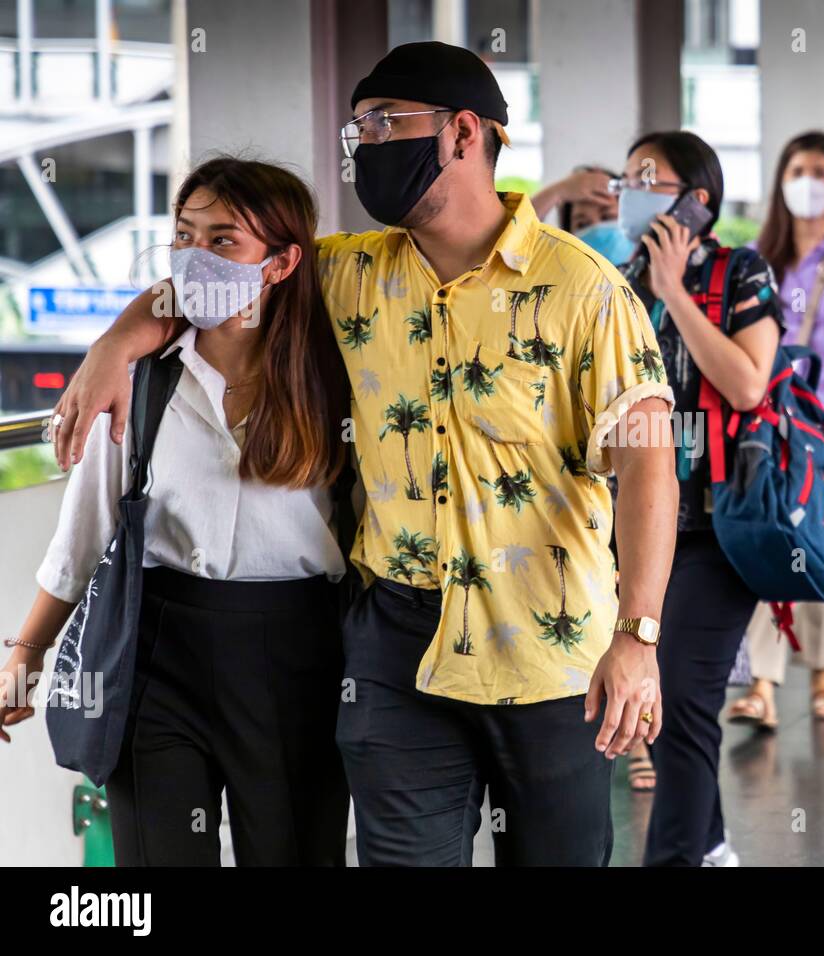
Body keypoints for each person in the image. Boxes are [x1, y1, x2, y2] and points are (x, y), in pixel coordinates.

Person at [47, 41, 680, 867]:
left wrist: (638, 636)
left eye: (382, 124)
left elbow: (648, 466)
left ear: (460, 134)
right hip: (394, 652)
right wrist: (114, 345)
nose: (363, 147)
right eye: (356, 130)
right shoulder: (347, 275)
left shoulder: (585, 289)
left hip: (549, 652)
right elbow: (216, 279)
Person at [0, 157, 352, 865]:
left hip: (299, 657)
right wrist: (25, 655)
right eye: (184, 237)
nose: (194, 259)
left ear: (281, 264)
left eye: (224, 242)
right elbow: (85, 534)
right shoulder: (142, 378)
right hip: (159, 652)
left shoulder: (339, 379)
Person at [619, 130, 784, 865]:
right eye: (628, 178)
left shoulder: (741, 271)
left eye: (647, 178)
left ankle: (677, 856)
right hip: (646, 525)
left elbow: (748, 382)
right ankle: (712, 844)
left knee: (682, 694)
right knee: (671, 697)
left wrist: (676, 294)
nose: (632, 191)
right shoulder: (617, 279)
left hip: (726, 524)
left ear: (697, 199)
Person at [726, 131, 824, 731]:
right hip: (764, 428)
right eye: (797, 169)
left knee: (820, 537)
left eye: (820, 170)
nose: (808, 181)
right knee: (765, 536)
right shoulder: (756, 260)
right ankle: (762, 685)